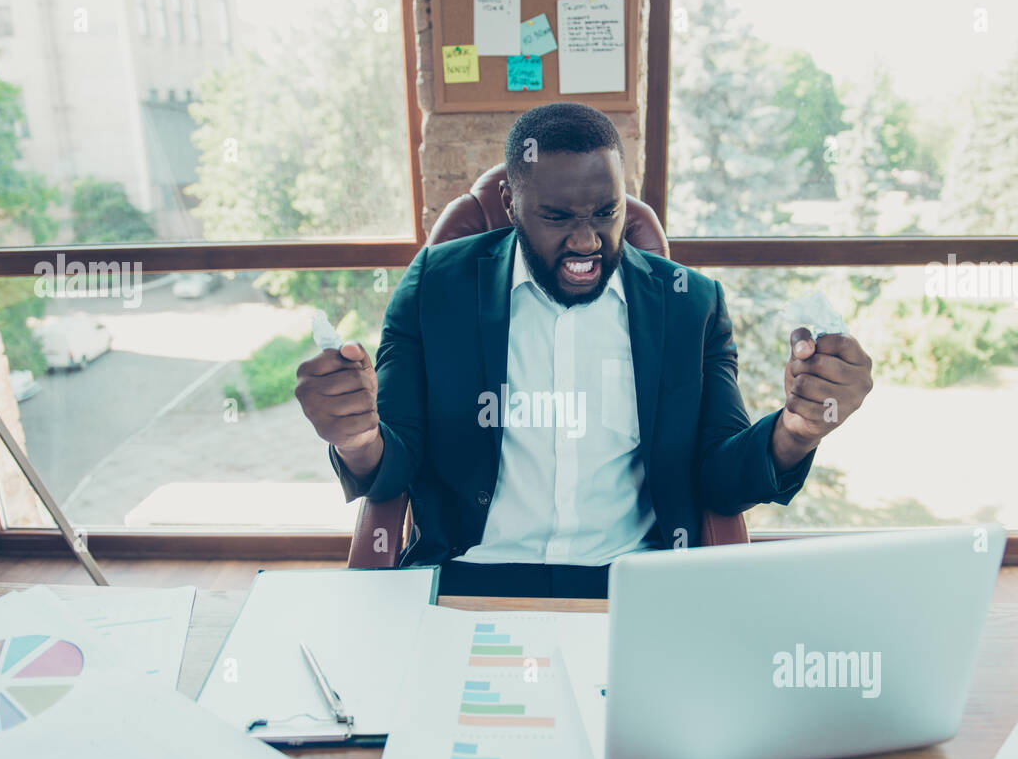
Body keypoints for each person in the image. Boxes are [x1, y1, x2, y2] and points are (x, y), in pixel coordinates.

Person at [296, 102, 874, 597]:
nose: (585, 241)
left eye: (606, 212)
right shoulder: (436, 287)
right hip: (472, 577)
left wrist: (797, 430)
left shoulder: (690, 306)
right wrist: (357, 437)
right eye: (557, 217)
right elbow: (395, 462)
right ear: (511, 200)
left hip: (635, 587)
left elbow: (721, 480)